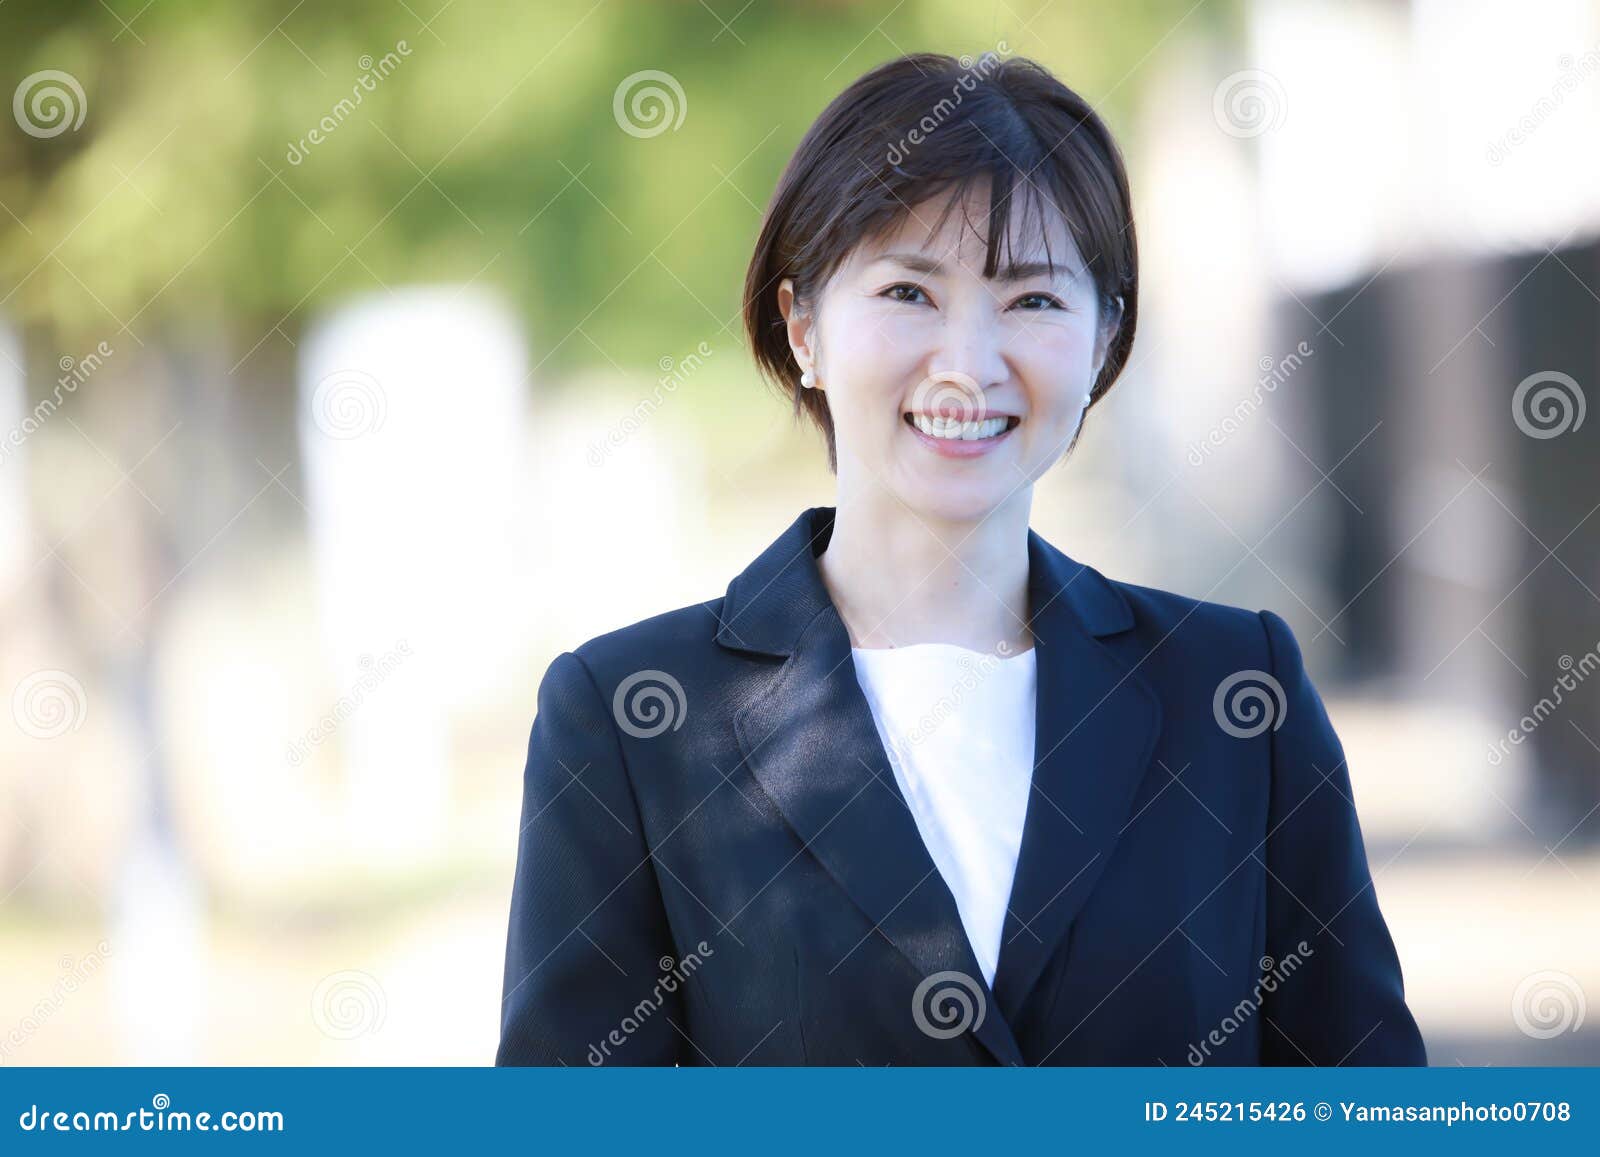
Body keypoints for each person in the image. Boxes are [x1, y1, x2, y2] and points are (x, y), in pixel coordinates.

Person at [495, 51, 1426, 1067]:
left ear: (1105, 336)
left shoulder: (1235, 693)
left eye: (1032, 301)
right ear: (802, 324)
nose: (969, 362)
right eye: (907, 291)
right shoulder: (633, 718)